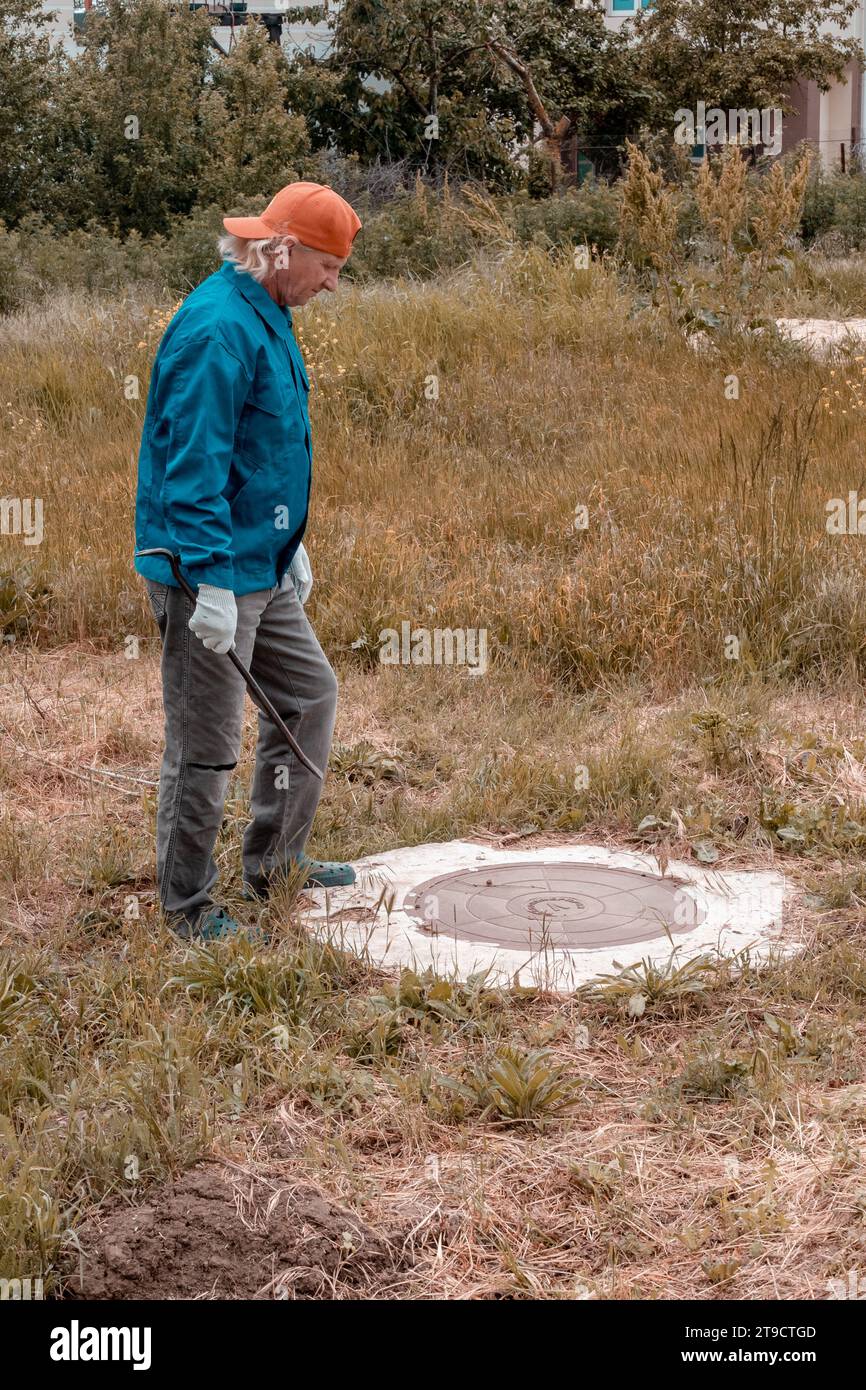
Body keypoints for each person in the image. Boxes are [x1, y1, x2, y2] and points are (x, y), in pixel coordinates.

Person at [134, 182, 361, 940]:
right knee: (205, 748)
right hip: (210, 576)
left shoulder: (271, 312)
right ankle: (188, 908)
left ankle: (275, 864)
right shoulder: (215, 331)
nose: (334, 283)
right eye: (329, 267)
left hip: (262, 562)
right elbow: (192, 468)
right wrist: (214, 582)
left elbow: (265, 448)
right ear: (285, 251)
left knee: (309, 697)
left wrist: (289, 544)